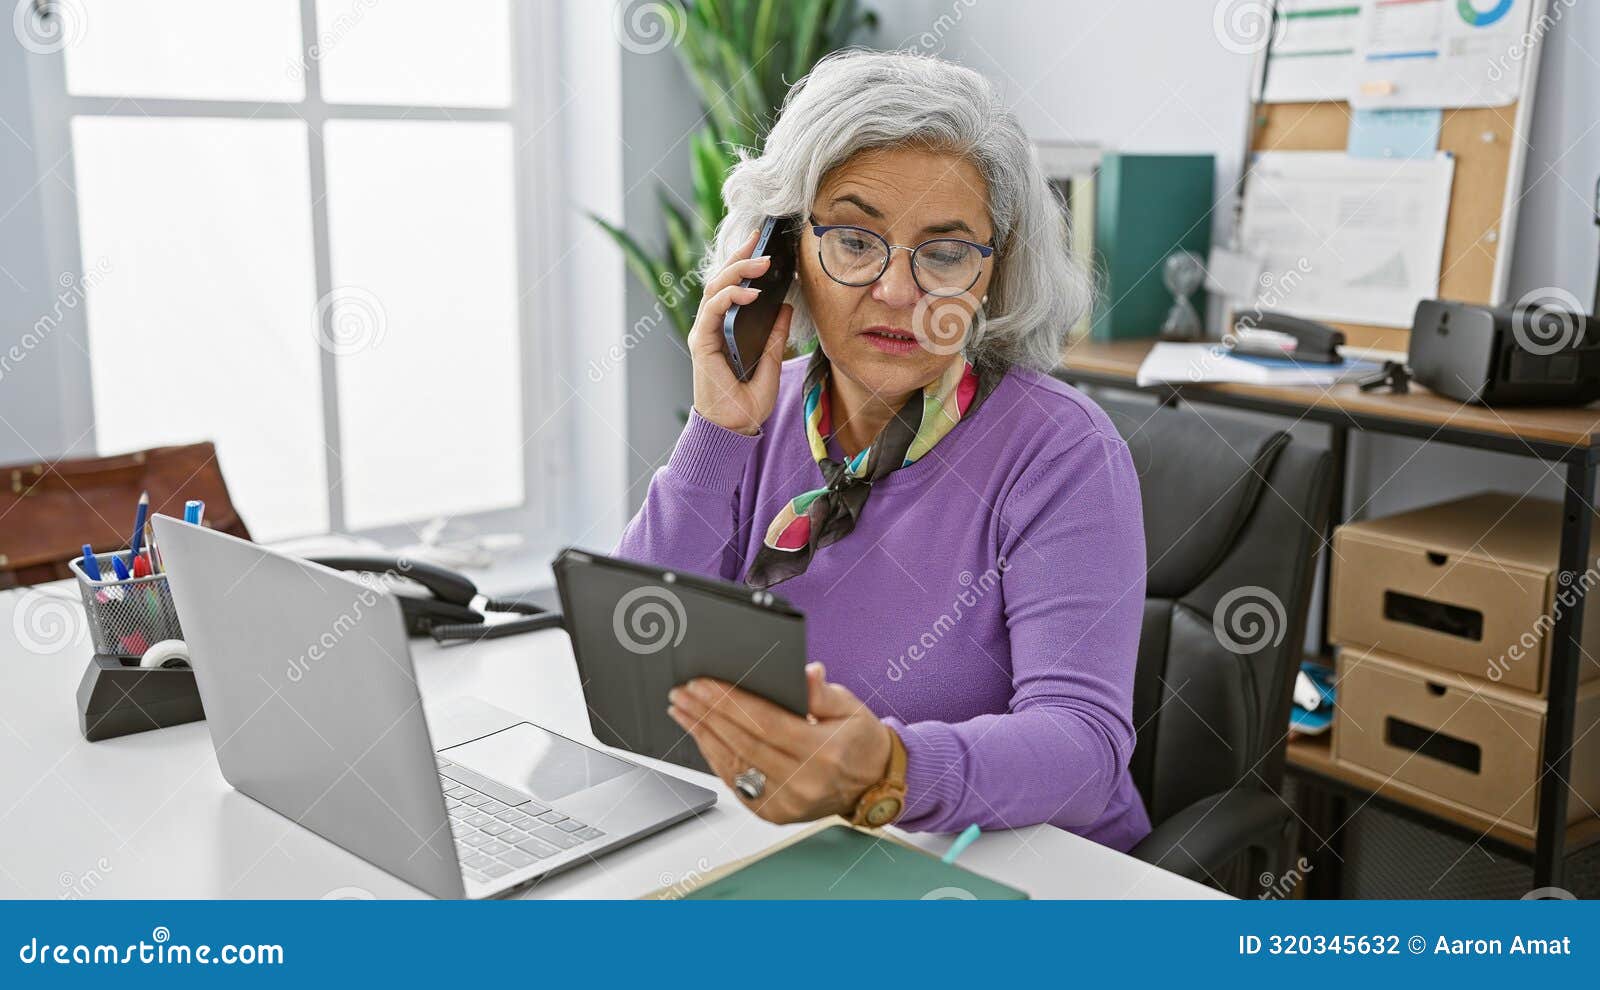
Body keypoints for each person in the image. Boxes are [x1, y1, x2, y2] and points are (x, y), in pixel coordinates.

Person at [616, 49, 1150, 851]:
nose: (899, 292)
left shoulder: (1062, 453)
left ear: (990, 277)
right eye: (856, 240)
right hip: (799, 840)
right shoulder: (756, 418)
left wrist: (888, 769)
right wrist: (716, 432)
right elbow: (636, 648)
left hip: (1029, 867)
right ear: (783, 252)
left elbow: (1084, 746)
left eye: (944, 251)